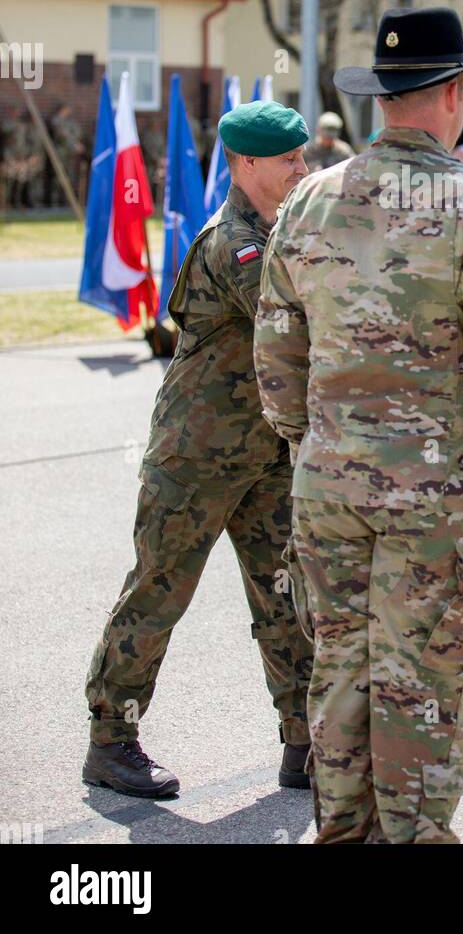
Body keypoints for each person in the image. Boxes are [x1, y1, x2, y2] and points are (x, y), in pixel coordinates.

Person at [255, 6, 463, 844]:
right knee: (428, 674)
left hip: (330, 482)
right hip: (438, 492)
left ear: (383, 96)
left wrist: (311, 446)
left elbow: (276, 355)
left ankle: (344, 833)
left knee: (342, 662)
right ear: (454, 92)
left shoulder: (308, 199)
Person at [83, 101, 314, 799]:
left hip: (266, 451)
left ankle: (303, 741)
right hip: (197, 457)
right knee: (159, 591)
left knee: (286, 596)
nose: (303, 169)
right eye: (289, 160)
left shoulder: (284, 227)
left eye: (304, 157)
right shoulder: (234, 241)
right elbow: (303, 316)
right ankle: (111, 740)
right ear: (246, 165)